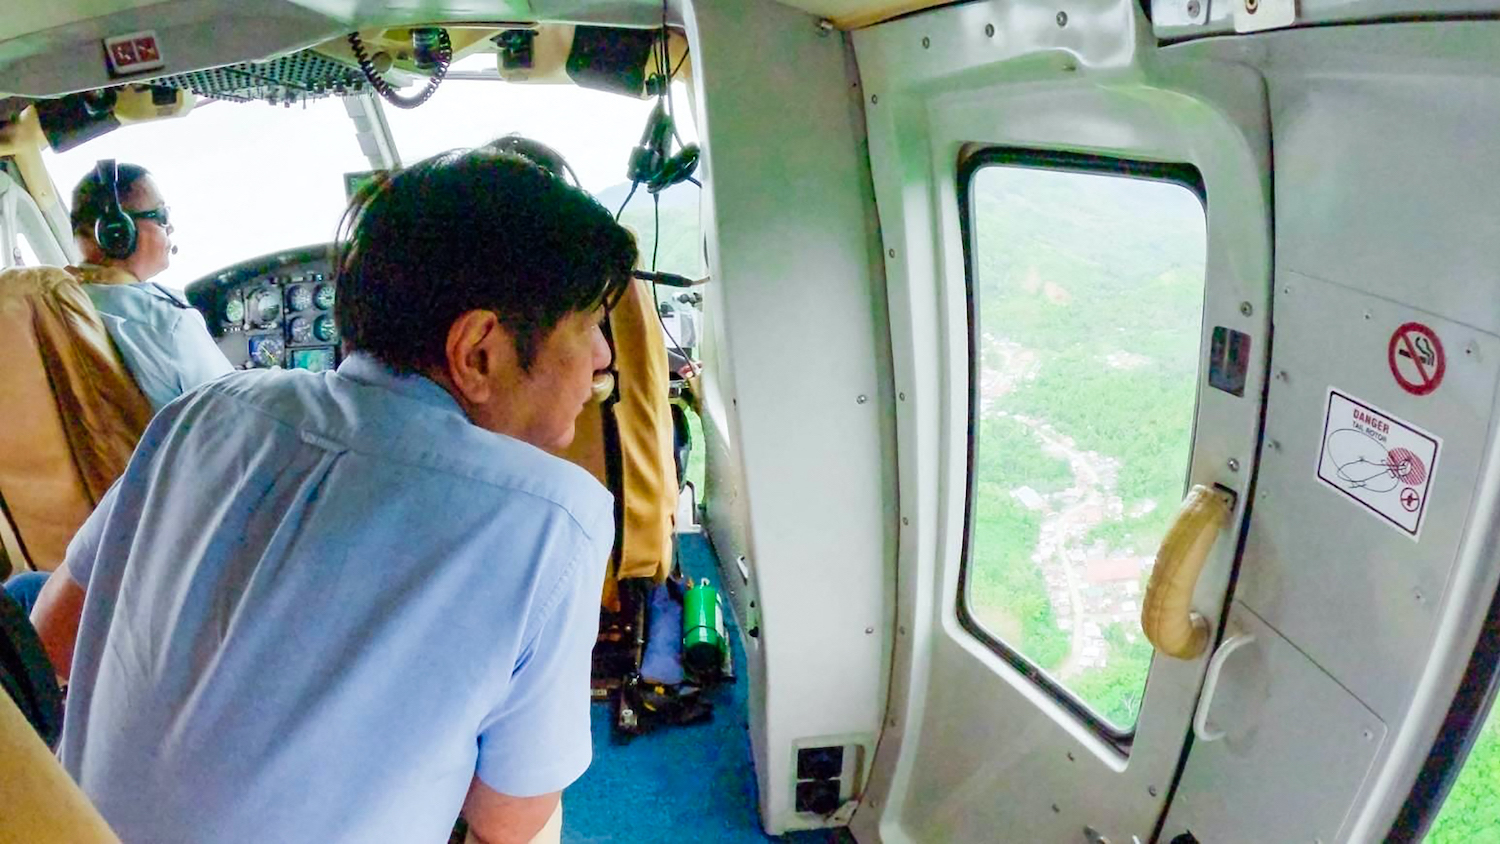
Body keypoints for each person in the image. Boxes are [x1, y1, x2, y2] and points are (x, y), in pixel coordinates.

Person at [30, 148, 637, 843]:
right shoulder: (557, 519)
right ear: (478, 352)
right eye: (588, 324)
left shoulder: (202, 410)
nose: (601, 358)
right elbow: (508, 817)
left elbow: (53, 634)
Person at [67, 160, 233, 411]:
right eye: (161, 215)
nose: (171, 227)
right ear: (118, 231)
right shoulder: (168, 322)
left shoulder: (54, 305)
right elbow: (237, 418)